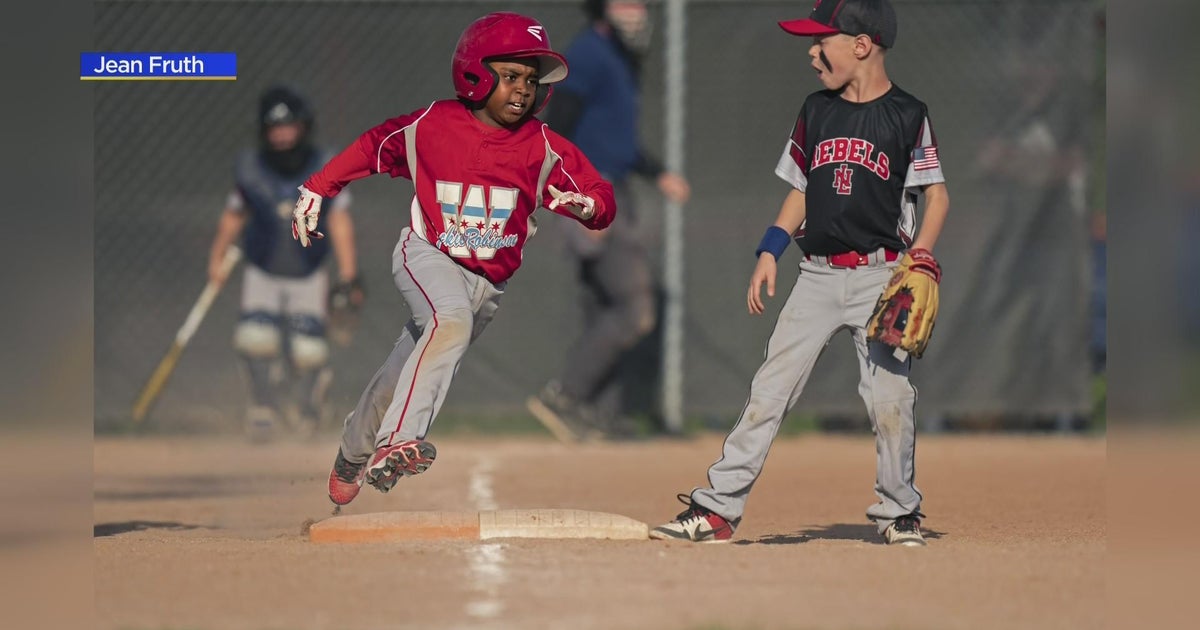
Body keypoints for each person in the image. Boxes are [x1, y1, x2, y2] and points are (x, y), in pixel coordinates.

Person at [649, 0, 949, 546]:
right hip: (815, 275)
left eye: (822, 41)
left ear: (862, 45)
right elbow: (801, 189)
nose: (812, 52)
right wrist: (770, 249)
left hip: (881, 280)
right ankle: (716, 510)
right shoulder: (817, 109)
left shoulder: (908, 114)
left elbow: (938, 195)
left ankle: (899, 511)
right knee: (769, 390)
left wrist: (921, 255)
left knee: (890, 401)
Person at [291, 12, 617, 507]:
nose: (523, 90)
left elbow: (598, 195)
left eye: (530, 80)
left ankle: (352, 452)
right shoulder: (433, 126)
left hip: (487, 287)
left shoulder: (543, 147)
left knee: (407, 366)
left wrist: (591, 207)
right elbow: (371, 147)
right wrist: (319, 186)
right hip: (427, 254)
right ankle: (397, 441)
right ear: (475, 73)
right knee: (449, 320)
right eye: (509, 75)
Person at [527, 0, 691, 442]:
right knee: (635, 307)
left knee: (603, 303)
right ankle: (564, 395)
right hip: (591, 193)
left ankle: (598, 414)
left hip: (615, 185)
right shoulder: (587, 54)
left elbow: (617, 140)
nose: (636, 12)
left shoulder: (619, 60)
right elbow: (556, 123)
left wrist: (658, 174)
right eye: (625, 2)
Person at [208, 86, 361, 443]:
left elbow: (339, 220)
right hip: (262, 267)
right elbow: (234, 216)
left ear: (304, 127)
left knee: (309, 350)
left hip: (308, 270)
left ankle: (308, 407)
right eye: (274, 127)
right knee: (255, 338)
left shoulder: (324, 164)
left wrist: (348, 273)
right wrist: (216, 257)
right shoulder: (251, 168)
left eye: (289, 126)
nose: (282, 134)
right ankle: (262, 407)